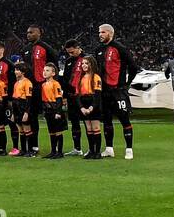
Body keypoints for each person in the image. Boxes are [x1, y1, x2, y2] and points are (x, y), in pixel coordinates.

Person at [95, 23, 138, 160]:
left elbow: (133, 67)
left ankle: (129, 149)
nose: (100, 35)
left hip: (118, 91)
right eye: (99, 32)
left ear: (110, 33)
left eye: (102, 32)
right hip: (104, 91)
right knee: (107, 120)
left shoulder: (120, 48)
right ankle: (109, 149)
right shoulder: (99, 50)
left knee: (124, 119)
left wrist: (126, 84)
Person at [59, 38, 87, 155]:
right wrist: (65, 96)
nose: (70, 54)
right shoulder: (69, 61)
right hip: (71, 96)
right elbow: (66, 79)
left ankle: (92, 148)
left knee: (88, 122)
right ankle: (77, 148)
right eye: (68, 52)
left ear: (78, 48)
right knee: (74, 122)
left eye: (72, 52)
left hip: (84, 95)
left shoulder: (87, 59)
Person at [76, 57, 104, 160]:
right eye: (82, 63)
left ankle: (97, 152)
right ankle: (91, 150)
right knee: (88, 129)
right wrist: (82, 107)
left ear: (91, 64)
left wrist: (92, 107)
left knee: (95, 128)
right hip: (84, 102)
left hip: (93, 103)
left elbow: (97, 95)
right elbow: (78, 95)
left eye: (86, 63)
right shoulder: (81, 78)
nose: (83, 65)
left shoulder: (96, 77)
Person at [39, 63, 67, 159]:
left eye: (47, 70)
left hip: (55, 109)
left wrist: (58, 112)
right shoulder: (43, 85)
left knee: (58, 131)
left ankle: (59, 152)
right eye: (44, 70)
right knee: (51, 131)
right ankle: (53, 151)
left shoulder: (56, 84)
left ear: (53, 73)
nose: (45, 72)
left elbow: (59, 98)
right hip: (48, 110)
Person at [10, 64, 36, 157]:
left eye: (17, 70)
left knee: (27, 129)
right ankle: (23, 150)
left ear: (23, 72)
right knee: (20, 129)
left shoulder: (27, 82)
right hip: (16, 106)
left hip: (23, 106)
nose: (15, 72)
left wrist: (26, 112)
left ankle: (31, 150)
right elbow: (14, 98)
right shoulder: (16, 83)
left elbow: (29, 99)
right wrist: (13, 112)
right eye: (15, 70)